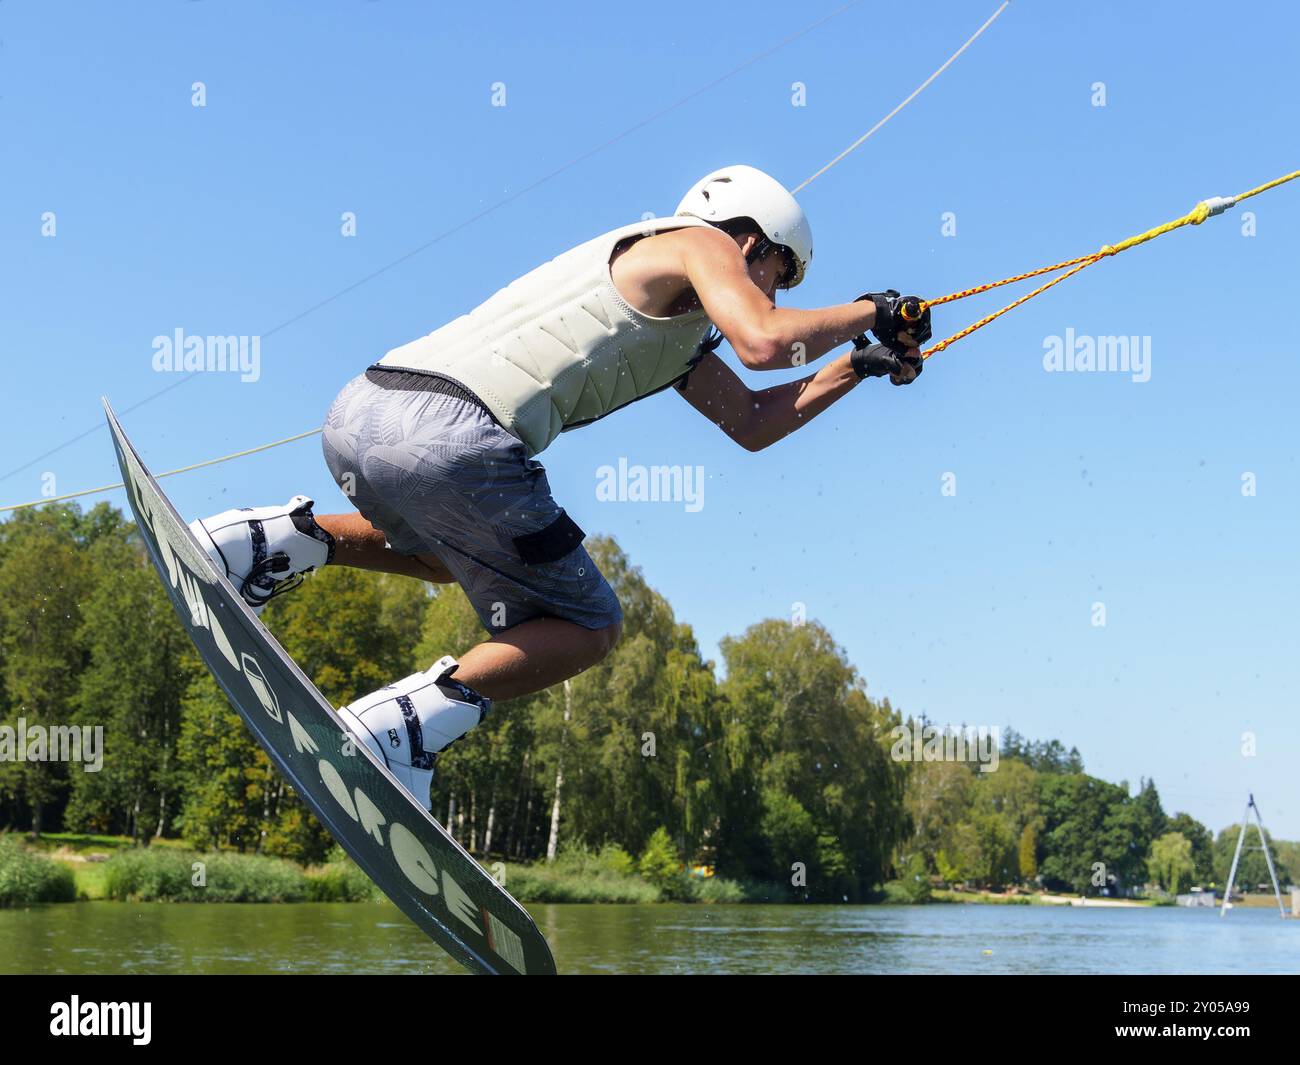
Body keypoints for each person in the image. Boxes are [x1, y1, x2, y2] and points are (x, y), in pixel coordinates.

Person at [190, 164, 928, 809]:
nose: (773, 290)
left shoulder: (675, 321)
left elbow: (753, 422)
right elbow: (766, 340)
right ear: (750, 242)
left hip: (364, 412)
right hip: (458, 438)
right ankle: (400, 728)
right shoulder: (693, 242)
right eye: (780, 273)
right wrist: (873, 308)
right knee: (590, 624)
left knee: (455, 559)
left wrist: (856, 366)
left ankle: (265, 542)